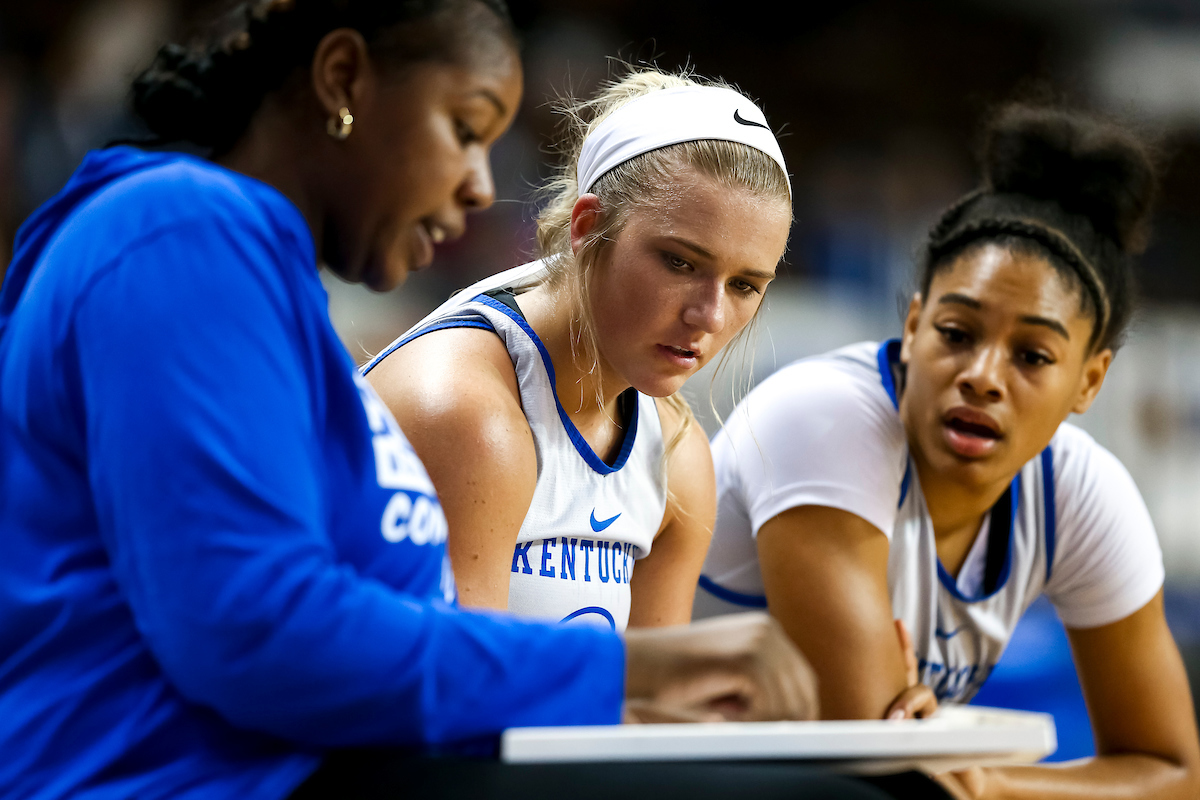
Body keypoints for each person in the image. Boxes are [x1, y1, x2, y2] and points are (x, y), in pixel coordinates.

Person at [0, 2, 846, 799]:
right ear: (343, 81)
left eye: (747, 284)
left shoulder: (253, 277)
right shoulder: (178, 230)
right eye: (464, 129)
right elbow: (254, 633)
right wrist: (638, 672)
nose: (483, 187)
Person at [697, 103, 1200, 797]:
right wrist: (954, 765)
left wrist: (990, 785)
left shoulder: (1081, 491)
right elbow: (874, 754)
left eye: (1031, 354)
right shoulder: (825, 416)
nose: (982, 377)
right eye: (957, 333)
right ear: (913, 325)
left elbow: (1173, 770)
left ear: (1090, 381)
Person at [362, 69, 791, 632]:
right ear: (587, 228)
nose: (708, 316)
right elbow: (456, 699)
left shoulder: (677, 457)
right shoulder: (467, 409)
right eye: (680, 263)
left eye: (744, 286)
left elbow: (653, 711)